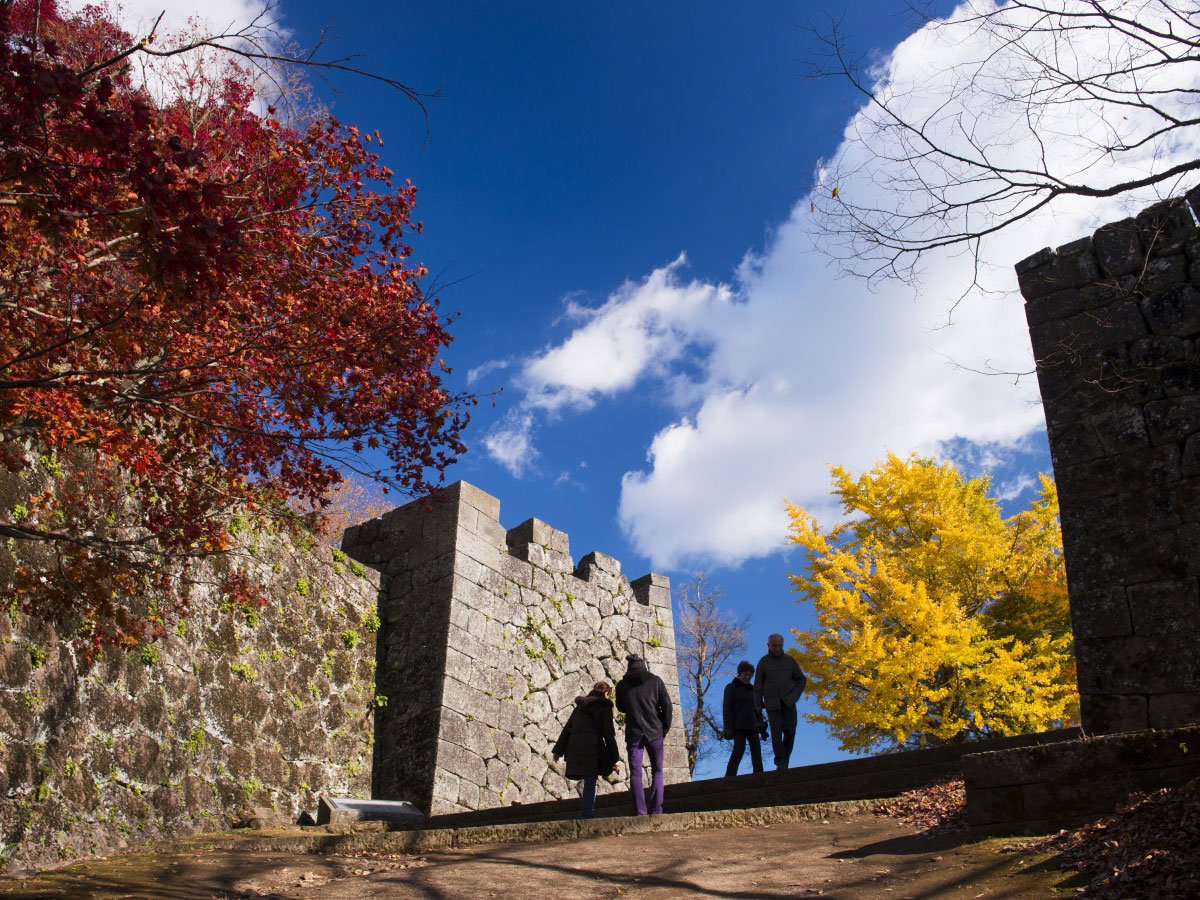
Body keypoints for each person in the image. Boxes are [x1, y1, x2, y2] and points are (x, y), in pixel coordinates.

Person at [552, 681, 621, 819]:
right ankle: (587, 814)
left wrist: (558, 751)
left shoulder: (580, 706)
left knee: (587, 778)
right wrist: (615, 759)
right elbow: (609, 735)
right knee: (590, 780)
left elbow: (568, 727)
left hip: (575, 745)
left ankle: (587, 813)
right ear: (606, 693)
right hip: (592, 746)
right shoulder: (605, 706)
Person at [615, 653, 672, 815]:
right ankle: (656, 810)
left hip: (634, 732)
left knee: (635, 773)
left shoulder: (622, 685)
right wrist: (665, 727)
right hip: (655, 731)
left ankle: (640, 812)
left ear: (629, 667)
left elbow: (620, 707)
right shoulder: (655, 681)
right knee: (657, 771)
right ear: (643, 665)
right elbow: (667, 704)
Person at [754, 633, 807, 770]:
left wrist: (794, 696)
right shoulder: (763, 662)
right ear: (768, 645)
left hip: (789, 702)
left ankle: (784, 760)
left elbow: (801, 680)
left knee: (790, 732)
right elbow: (758, 685)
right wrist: (758, 704)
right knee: (776, 735)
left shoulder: (790, 661)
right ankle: (780, 762)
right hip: (772, 704)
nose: (777, 648)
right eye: (774, 646)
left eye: (780, 646)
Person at [722, 660, 765, 776]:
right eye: (745, 674)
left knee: (756, 750)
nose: (747, 677)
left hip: (752, 725)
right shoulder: (731, 687)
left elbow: (758, 708)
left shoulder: (754, 690)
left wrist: (762, 727)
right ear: (739, 674)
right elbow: (727, 708)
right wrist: (728, 727)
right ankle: (730, 776)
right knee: (739, 749)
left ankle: (759, 774)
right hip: (737, 725)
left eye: (750, 675)